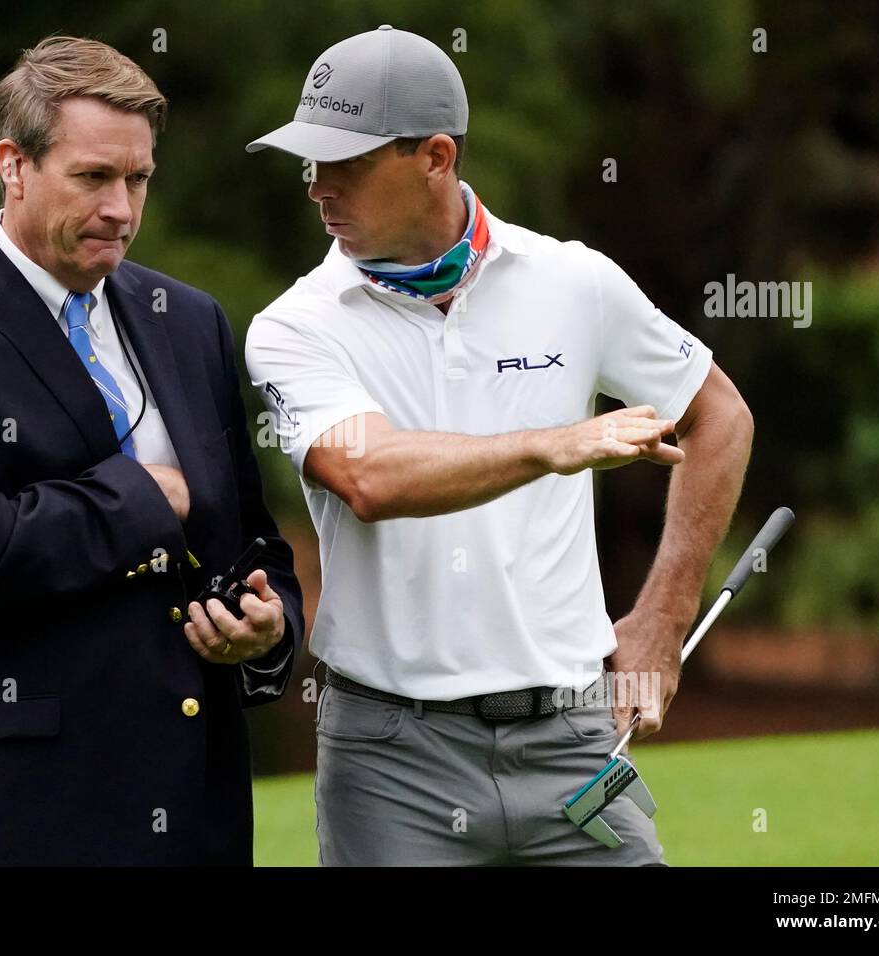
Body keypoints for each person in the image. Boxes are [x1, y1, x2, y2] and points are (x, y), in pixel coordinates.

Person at [245, 25, 752, 865]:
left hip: (573, 738)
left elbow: (720, 415)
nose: (318, 186)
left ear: (436, 157)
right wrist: (554, 444)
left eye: (347, 162)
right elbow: (368, 474)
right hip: (390, 759)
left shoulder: (574, 282)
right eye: (310, 160)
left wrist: (664, 616)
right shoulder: (294, 325)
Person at [0, 35, 303, 865]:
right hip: (13, 819)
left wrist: (267, 628)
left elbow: (246, 535)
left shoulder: (188, 319)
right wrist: (140, 497)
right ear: (12, 165)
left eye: (139, 179)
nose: (122, 208)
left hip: (193, 815)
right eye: (93, 177)